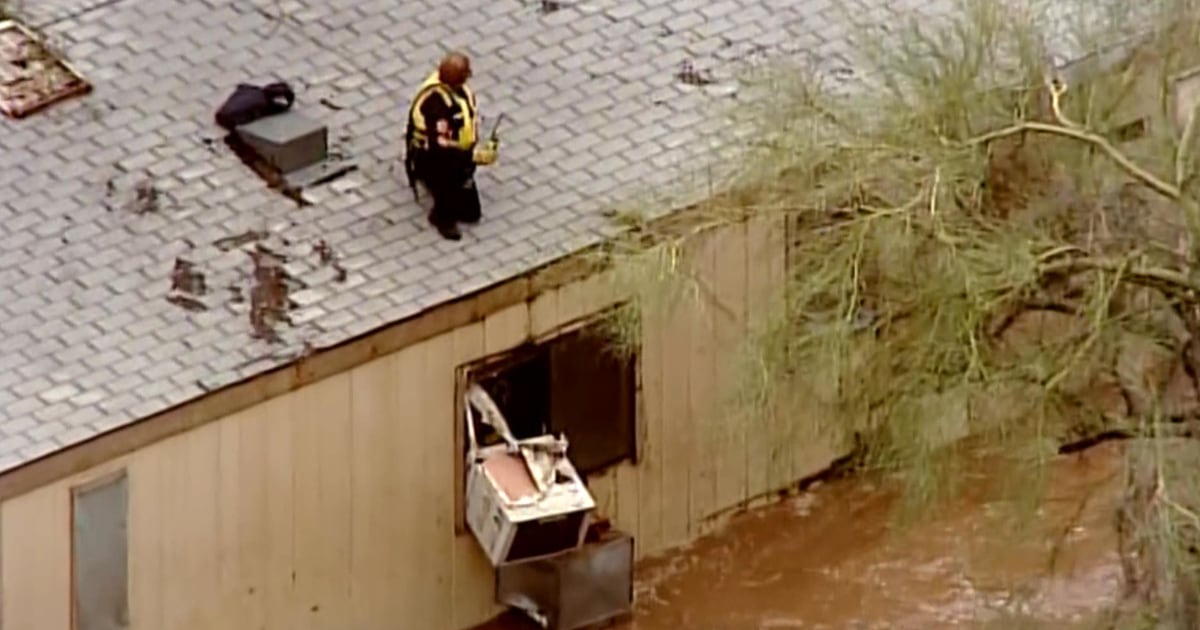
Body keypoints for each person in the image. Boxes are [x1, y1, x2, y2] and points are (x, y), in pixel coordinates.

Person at [404, 52, 498, 241]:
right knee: (447, 181)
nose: (469, 76)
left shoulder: (459, 90)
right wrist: (474, 157)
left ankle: (452, 185)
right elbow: (441, 149)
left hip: (458, 155)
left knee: (471, 214)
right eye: (466, 73)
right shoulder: (435, 104)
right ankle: (440, 217)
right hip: (433, 158)